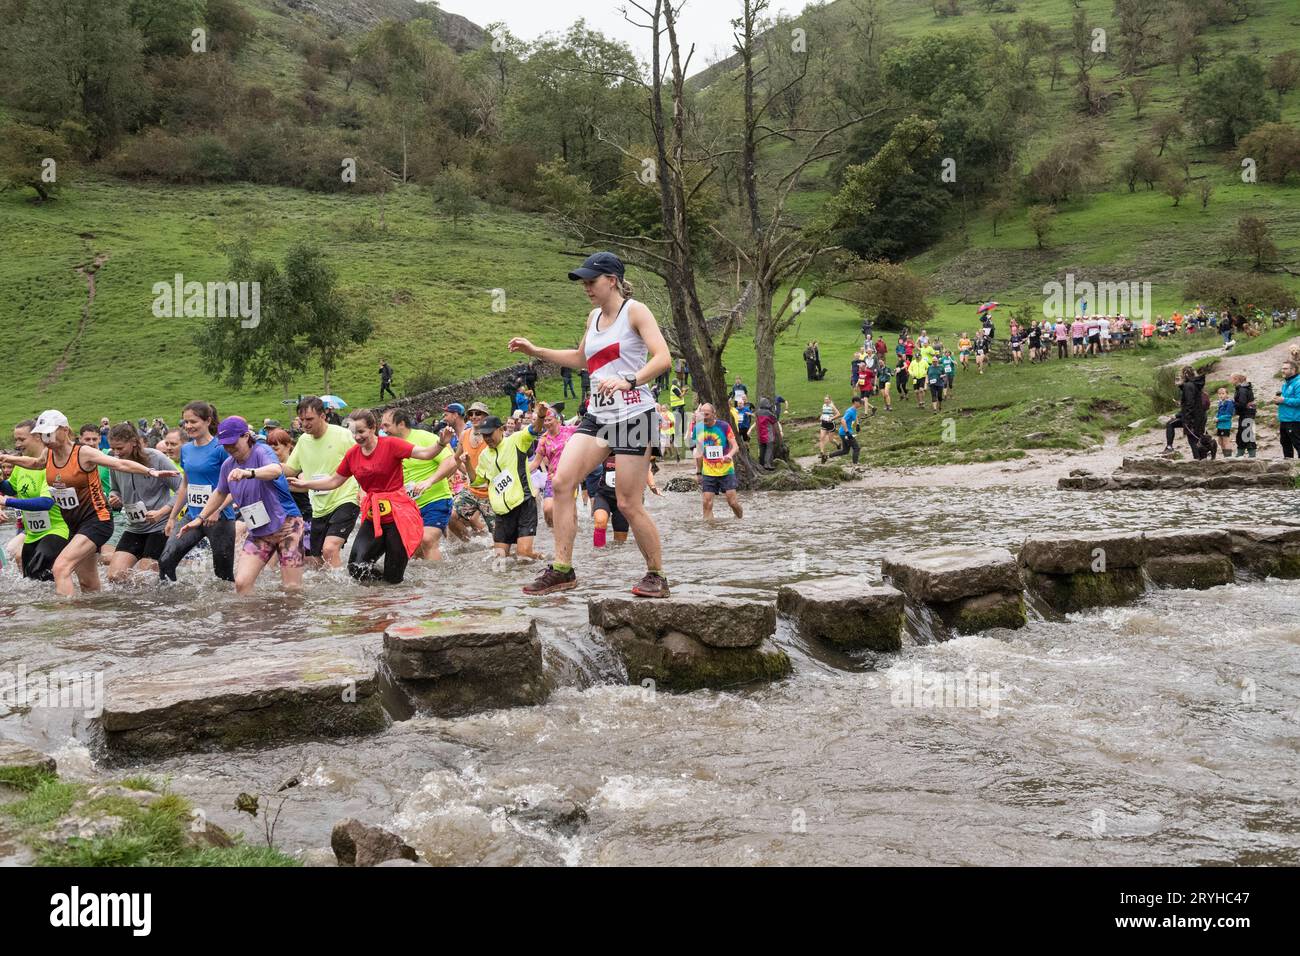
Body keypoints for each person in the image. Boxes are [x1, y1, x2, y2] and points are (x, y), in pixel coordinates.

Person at [509, 251, 672, 598]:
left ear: (611, 280)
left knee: (628, 502)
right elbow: (582, 359)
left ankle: (656, 575)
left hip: (634, 416)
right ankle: (562, 569)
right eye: (583, 281)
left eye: (591, 280)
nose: (586, 287)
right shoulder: (593, 316)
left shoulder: (636, 311)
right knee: (561, 480)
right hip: (599, 416)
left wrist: (629, 379)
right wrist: (535, 350)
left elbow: (663, 357)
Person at [0, 410, 176, 597]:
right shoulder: (48, 453)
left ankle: (67, 618)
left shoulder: (83, 453)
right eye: (43, 434)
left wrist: (150, 472)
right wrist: (8, 458)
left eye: (49, 433)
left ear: (65, 430)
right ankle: (94, 619)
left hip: (96, 520)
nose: (46, 438)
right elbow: (36, 463)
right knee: (88, 583)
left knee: (61, 568)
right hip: (74, 524)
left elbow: (119, 464)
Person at [290, 409, 446, 584]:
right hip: (374, 517)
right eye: (353, 433)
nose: (357, 437)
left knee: (393, 579)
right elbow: (334, 481)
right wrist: (305, 484)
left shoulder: (391, 445)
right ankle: (376, 600)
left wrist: (440, 442)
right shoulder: (352, 454)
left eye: (361, 432)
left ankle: (401, 601)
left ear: (373, 428)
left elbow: (425, 454)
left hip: (398, 517)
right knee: (357, 568)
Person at [182, 417, 304, 595]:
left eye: (232, 443)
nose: (229, 448)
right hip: (259, 531)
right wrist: (200, 518)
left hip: (287, 525)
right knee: (241, 583)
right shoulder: (228, 465)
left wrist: (249, 473)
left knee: (292, 588)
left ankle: (289, 622)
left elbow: (275, 470)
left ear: (246, 436)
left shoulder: (262, 451)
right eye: (225, 445)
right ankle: (251, 621)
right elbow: (219, 492)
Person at [158, 401, 238, 584]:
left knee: (223, 576)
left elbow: (234, 486)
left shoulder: (221, 449)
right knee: (165, 561)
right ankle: (173, 606)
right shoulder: (186, 449)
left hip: (220, 519)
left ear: (208, 421)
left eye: (193, 422)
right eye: (185, 422)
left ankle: (228, 610)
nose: (188, 426)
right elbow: (185, 485)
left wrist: (217, 509)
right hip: (191, 517)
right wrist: (172, 517)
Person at [282, 396, 361, 569]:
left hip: (345, 499)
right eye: (302, 420)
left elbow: (361, 462)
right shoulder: (303, 440)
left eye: (309, 419)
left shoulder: (343, 435)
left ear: (323, 415)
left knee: (330, 549)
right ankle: (329, 592)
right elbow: (291, 469)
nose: (305, 424)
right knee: (315, 561)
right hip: (318, 506)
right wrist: (267, 466)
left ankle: (344, 593)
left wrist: (364, 490)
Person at [462, 410, 549, 558]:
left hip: (524, 505)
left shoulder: (516, 441)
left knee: (524, 555)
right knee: (500, 558)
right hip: (502, 513)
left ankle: (543, 559)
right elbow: (477, 481)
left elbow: (534, 429)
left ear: (500, 429)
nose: (487, 438)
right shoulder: (484, 456)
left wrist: (540, 416)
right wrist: (468, 463)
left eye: (490, 434)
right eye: (484, 435)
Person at [380, 407, 460, 560]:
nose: (383, 429)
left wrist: (429, 481)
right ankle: (421, 581)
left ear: (401, 423)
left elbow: (450, 461)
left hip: (435, 499)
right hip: (406, 506)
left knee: (427, 539)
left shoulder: (425, 438)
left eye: (386, 425)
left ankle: (438, 581)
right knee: (413, 548)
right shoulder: (386, 444)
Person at [106, 422, 182, 582]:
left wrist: (162, 512)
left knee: (145, 577)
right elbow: (115, 489)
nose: (116, 453)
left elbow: (183, 489)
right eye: (113, 448)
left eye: (120, 448)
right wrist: (115, 497)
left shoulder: (156, 458)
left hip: (159, 527)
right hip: (134, 528)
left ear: (134, 442)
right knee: (114, 577)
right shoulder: (115, 463)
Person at [0, 419, 69, 581]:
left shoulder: (51, 464)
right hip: (33, 533)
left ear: (38, 437)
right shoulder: (22, 464)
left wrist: (7, 502)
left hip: (57, 530)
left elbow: (46, 503)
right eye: (16, 440)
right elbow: (12, 488)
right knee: (30, 579)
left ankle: (67, 604)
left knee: (39, 572)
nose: (17, 444)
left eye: (22, 439)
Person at [529, 402, 577, 528]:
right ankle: (552, 531)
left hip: (570, 477)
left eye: (549, 420)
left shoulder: (570, 431)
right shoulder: (543, 439)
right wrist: (519, 472)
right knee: (548, 509)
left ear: (556, 419)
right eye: (544, 420)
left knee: (569, 512)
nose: (547, 423)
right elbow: (535, 462)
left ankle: (572, 532)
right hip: (552, 478)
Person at [692, 403, 742, 519]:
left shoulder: (724, 426)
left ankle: (740, 521)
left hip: (726, 470)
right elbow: (698, 453)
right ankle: (709, 532)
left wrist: (729, 455)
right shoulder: (698, 428)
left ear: (714, 414)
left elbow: (735, 446)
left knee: (733, 503)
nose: (704, 417)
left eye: (707, 414)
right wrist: (699, 472)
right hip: (709, 472)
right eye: (702, 414)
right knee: (706, 503)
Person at [1178, 366, 1212, 460]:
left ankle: (1197, 460)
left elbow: (1190, 403)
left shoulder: (1188, 385)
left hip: (1193, 417)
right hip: (1200, 415)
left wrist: (1188, 420)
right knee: (1199, 439)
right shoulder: (1197, 384)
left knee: (1192, 440)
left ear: (1185, 374)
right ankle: (1203, 459)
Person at [1274, 360, 1300, 458]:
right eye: (1282, 368)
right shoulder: (1286, 383)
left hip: (1295, 420)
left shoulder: (1298, 383)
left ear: (1293, 370)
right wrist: (1278, 401)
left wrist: (1284, 400)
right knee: (1285, 444)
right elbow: (1285, 401)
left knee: (1298, 444)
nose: (1282, 370)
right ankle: (1289, 469)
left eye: (1285, 368)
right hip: (1284, 419)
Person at [1231, 372, 1257, 458]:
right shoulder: (1242, 388)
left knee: (1247, 433)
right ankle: (1240, 453)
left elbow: (1242, 404)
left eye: (1231, 378)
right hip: (1245, 414)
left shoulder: (1242, 390)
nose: (1230, 380)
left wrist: (1232, 403)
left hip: (1247, 414)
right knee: (1241, 433)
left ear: (1236, 379)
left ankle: (1252, 456)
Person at [829, 397, 862, 464]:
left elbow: (855, 416)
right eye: (860, 402)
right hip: (845, 433)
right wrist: (847, 432)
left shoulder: (854, 410)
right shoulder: (850, 411)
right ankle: (855, 466)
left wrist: (857, 424)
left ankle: (827, 456)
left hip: (843, 433)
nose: (861, 403)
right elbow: (842, 420)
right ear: (855, 402)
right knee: (856, 448)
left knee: (845, 451)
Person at [756, 398, 778, 469]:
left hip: (760, 434)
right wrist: (771, 410)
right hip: (768, 434)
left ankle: (761, 463)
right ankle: (767, 464)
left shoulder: (758, 412)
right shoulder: (768, 413)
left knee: (762, 448)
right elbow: (774, 419)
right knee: (769, 448)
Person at [1214, 387, 1236, 459]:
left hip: (1225, 425)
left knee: (1226, 441)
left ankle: (1228, 457)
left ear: (1227, 394)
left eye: (1223, 393)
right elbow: (1219, 413)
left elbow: (1229, 415)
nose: (1221, 395)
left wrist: (1219, 419)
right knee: (1220, 441)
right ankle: (1225, 456)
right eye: (1219, 394)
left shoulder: (1229, 402)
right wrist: (1216, 417)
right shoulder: (1221, 402)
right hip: (1220, 425)